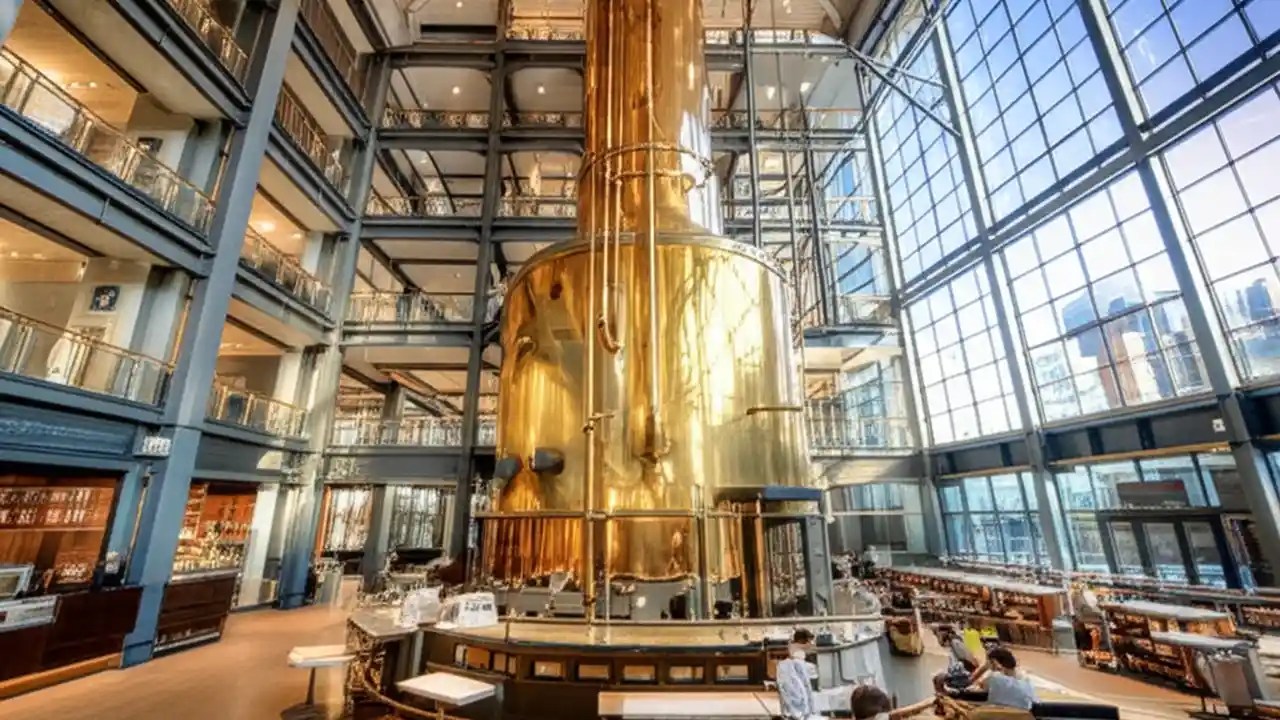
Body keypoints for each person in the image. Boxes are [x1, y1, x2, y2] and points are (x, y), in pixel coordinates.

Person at [777, 629, 817, 719]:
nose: (809, 642)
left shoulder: (794, 646)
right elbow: (812, 647)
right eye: (808, 640)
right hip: (798, 667)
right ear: (801, 640)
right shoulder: (795, 646)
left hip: (798, 668)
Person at [932, 624, 980, 694]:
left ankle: (943, 697)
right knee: (938, 677)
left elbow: (962, 661)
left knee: (937, 678)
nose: (937, 638)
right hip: (962, 676)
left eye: (937, 635)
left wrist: (949, 675)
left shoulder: (955, 643)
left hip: (962, 678)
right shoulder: (954, 643)